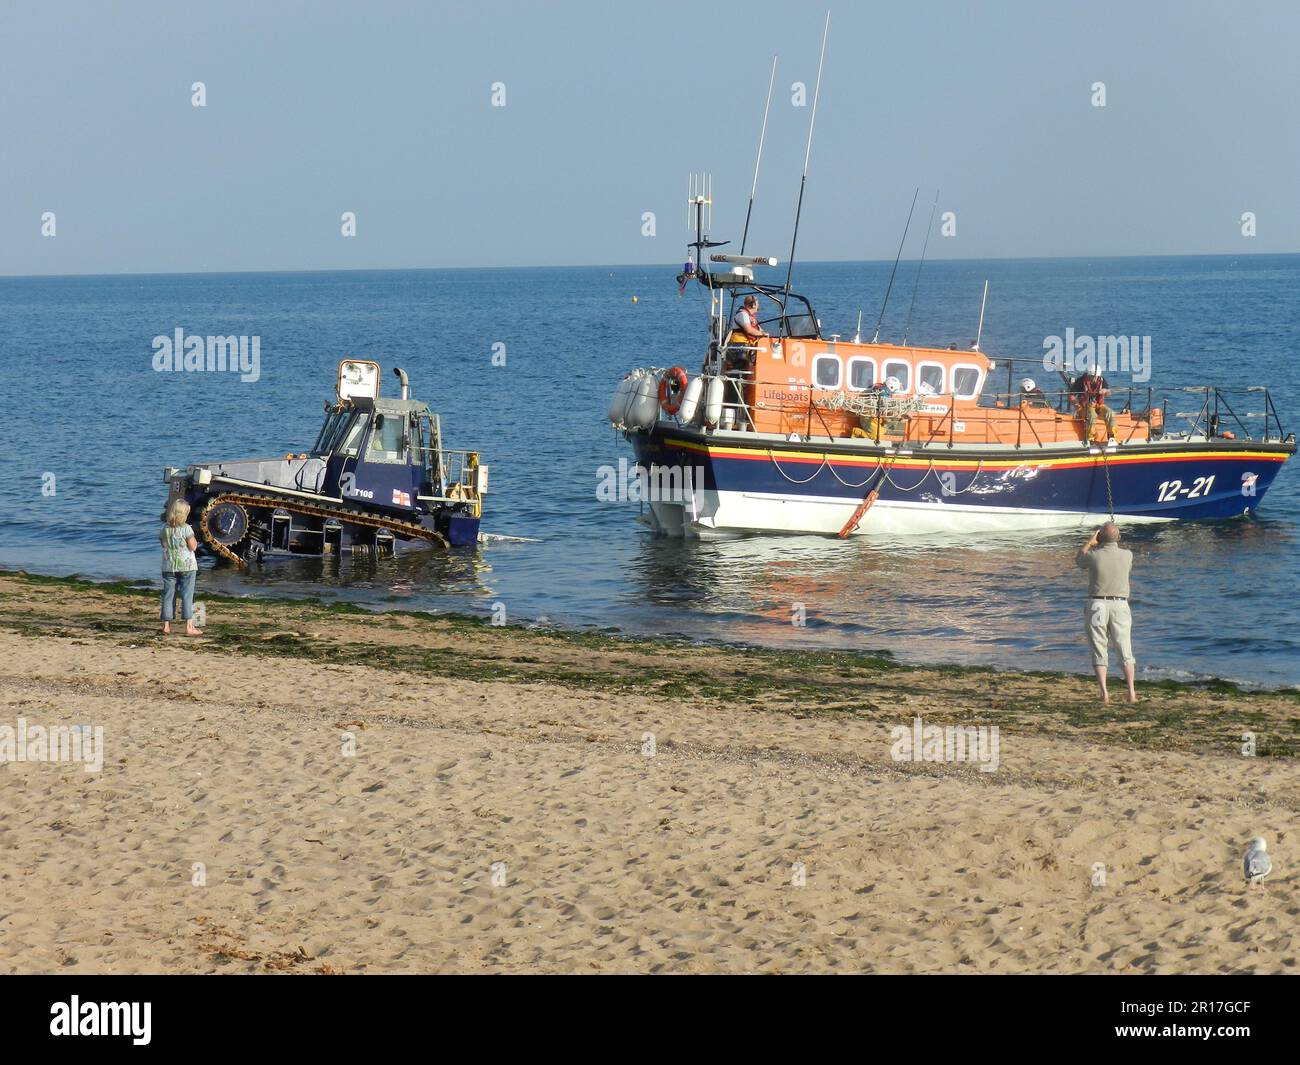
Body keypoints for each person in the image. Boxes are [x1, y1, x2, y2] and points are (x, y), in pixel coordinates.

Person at [1075, 522, 1135, 703]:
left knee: (1099, 647)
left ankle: (1104, 692)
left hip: (1097, 603)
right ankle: (1131, 691)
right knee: (1124, 647)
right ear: (1118, 538)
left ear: (1100, 537)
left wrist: (1090, 542)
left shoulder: (1093, 556)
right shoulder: (1128, 555)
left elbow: (1079, 560)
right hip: (1120, 604)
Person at [160, 498, 203, 636]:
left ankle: (166, 625)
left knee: (168, 595)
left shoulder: (165, 529)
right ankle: (189, 626)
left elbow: (163, 544)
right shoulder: (186, 529)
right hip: (187, 566)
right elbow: (193, 546)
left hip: (168, 566)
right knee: (187, 595)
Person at [1069, 365, 1117, 443]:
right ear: (1088, 375)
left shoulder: (1101, 380)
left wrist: (1105, 391)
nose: (1094, 378)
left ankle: (1112, 437)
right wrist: (1076, 405)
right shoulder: (1080, 381)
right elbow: (1071, 396)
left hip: (1098, 406)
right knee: (1092, 413)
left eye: (1096, 376)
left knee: (1110, 412)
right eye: (1092, 376)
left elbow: (1109, 393)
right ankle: (1090, 438)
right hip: (1085, 408)